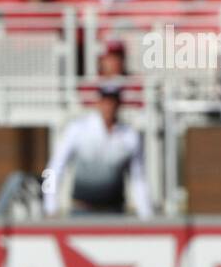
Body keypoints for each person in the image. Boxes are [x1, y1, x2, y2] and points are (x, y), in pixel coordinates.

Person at [43, 82, 152, 217]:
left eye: (113, 102)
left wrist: (146, 214)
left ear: (119, 105)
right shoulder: (78, 129)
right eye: (105, 102)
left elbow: (138, 177)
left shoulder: (130, 136)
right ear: (99, 103)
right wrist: (50, 206)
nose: (109, 107)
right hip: (82, 211)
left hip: (115, 211)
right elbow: (54, 167)